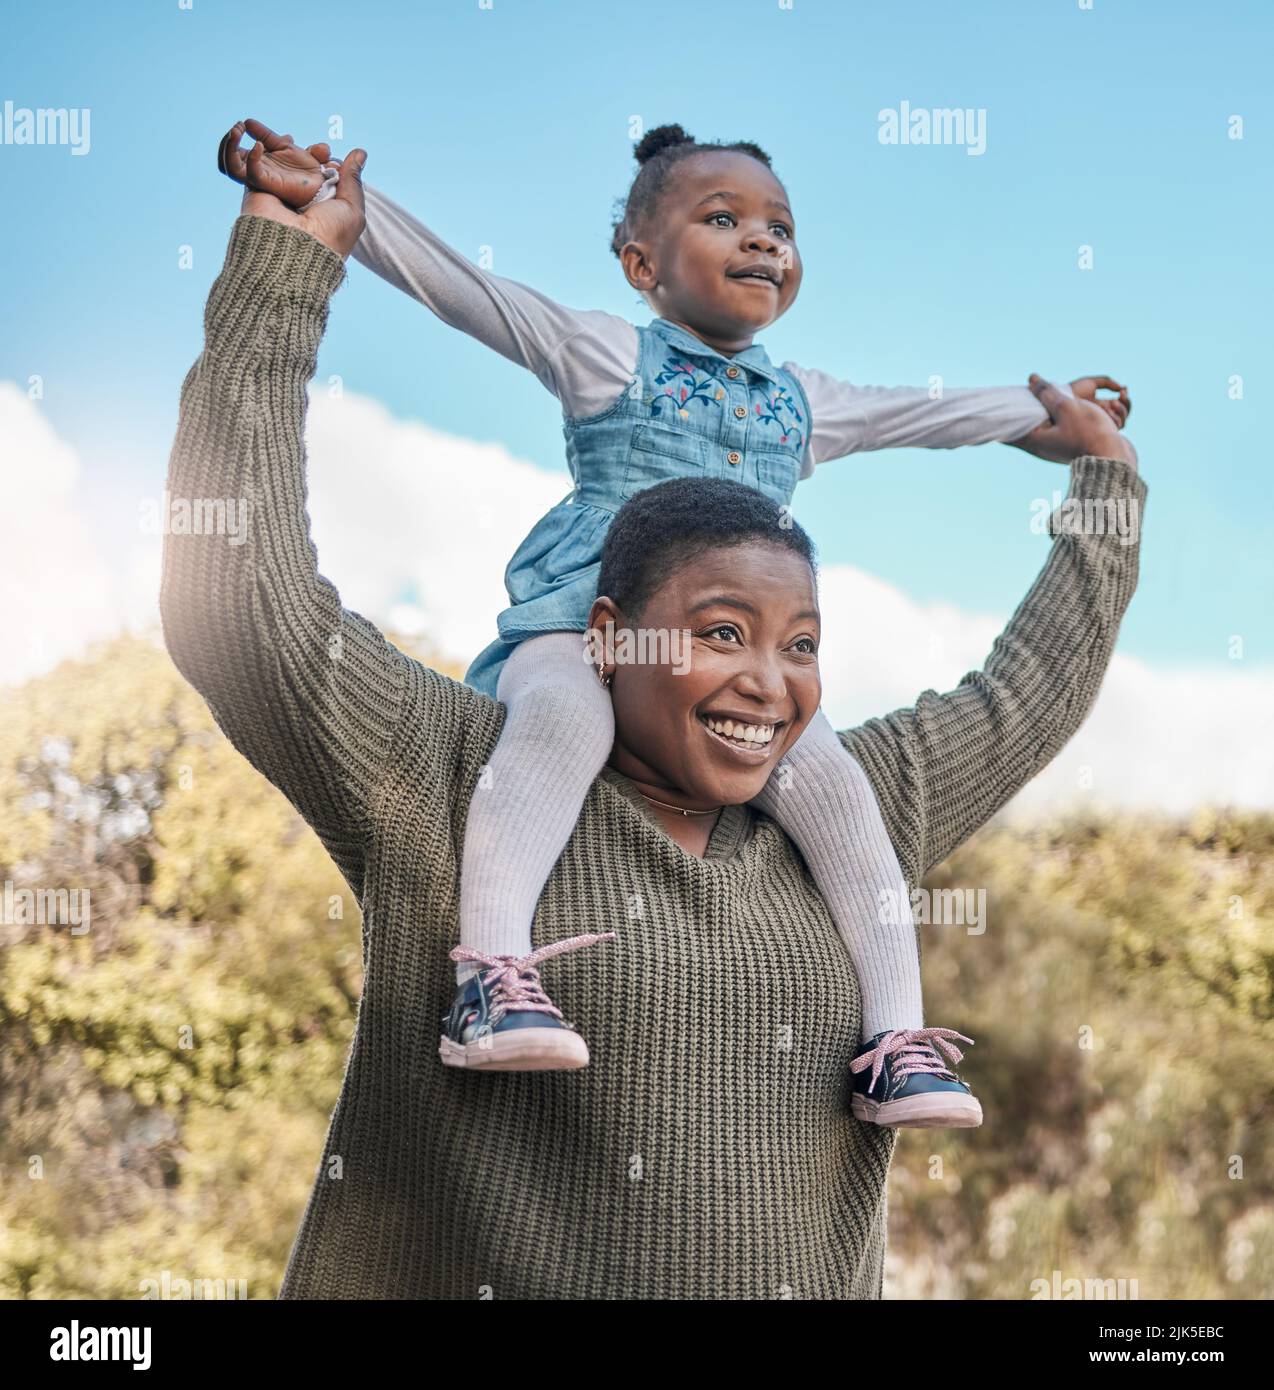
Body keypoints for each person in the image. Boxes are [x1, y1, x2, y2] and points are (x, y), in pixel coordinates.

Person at [161, 151, 1145, 1298]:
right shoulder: (443, 771)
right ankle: (496, 975)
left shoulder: (848, 798)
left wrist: (1097, 472)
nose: (766, 684)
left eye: (801, 644)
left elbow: (1022, 687)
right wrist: (292, 261)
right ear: (614, 630)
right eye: (719, 634)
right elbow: (238, 598)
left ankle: (898, 1044)